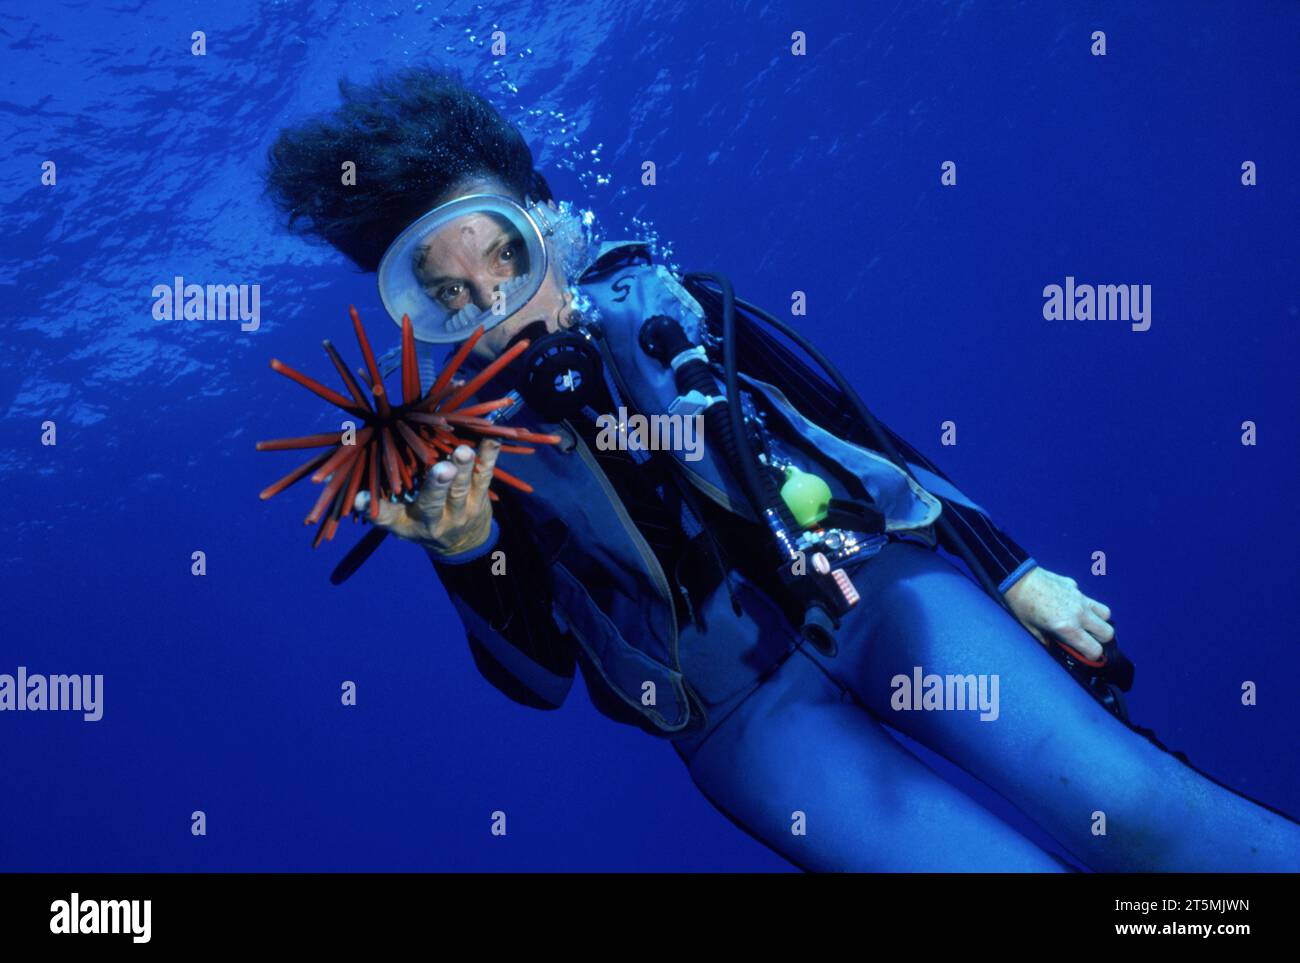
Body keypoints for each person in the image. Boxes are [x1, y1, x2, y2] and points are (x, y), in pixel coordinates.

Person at [264, 67, 1300, 871]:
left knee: (1139, 811)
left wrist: (1014, 571)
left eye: (502, 254)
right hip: (736, 714)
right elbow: (538, 681)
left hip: (876, 591)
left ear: (546, 223)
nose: (489, 303)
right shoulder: (458, 456)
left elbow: (861, 432)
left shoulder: (671, 305)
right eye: (442, 293)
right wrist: (467, 548)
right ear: (415, 313)